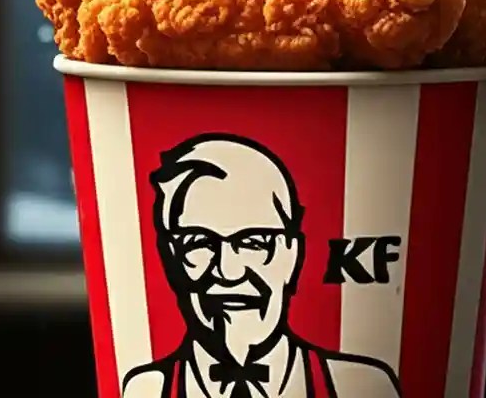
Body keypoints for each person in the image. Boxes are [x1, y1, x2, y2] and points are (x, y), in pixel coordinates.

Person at [123, 134, 401, 398]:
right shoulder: (145, 390)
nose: (229, 271)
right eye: (200, 242)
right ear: (171, 257)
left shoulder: (358, 385)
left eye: (255, 242)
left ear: (292, 254)